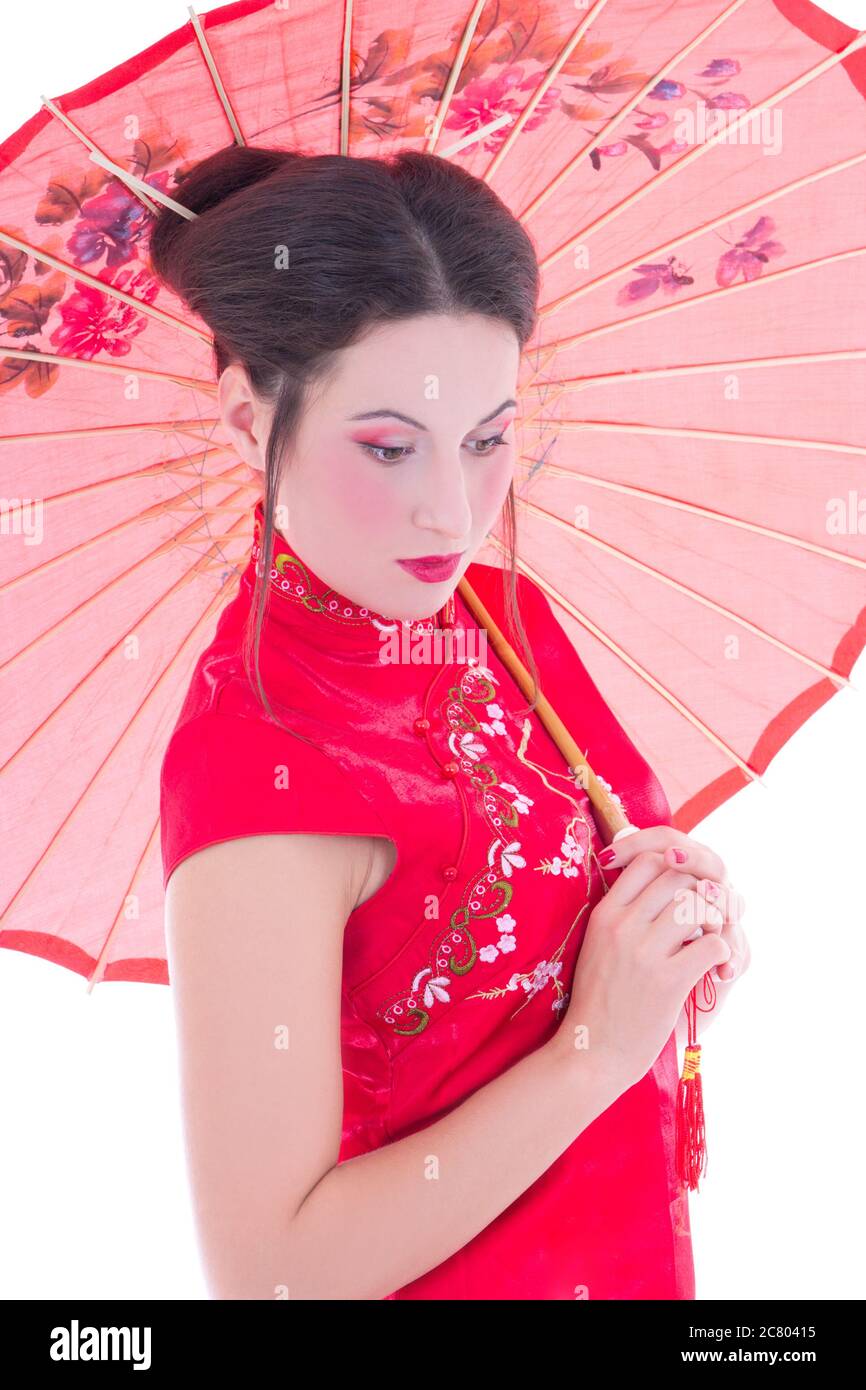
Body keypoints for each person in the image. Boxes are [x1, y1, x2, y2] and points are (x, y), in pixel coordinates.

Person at [152, 144, 736, 1301]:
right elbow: (271, 1272)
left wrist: (654, 919)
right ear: (241, 417)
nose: (452, 510)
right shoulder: (256, 762)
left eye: (486, 439)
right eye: (386, 447)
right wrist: (594, 1050)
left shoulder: (496, 609)